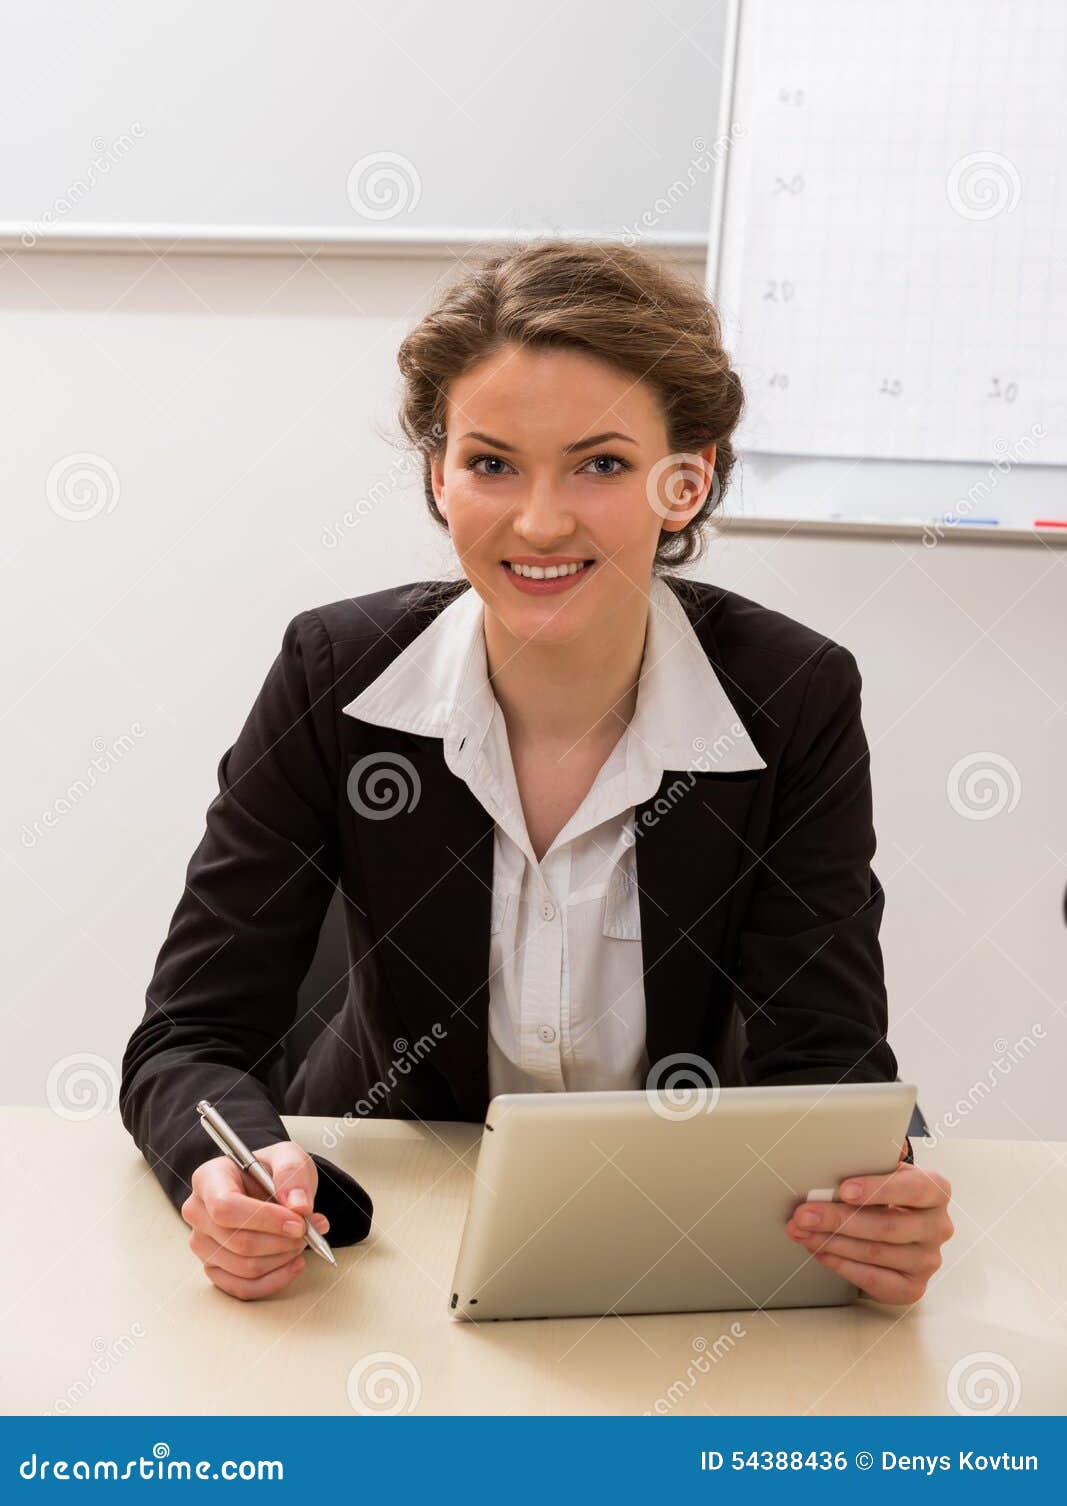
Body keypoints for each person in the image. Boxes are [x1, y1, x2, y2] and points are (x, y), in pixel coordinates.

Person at [120, 239, 953, 1304]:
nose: (540, 520)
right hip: (386, 1232)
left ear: (686, 480)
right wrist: (225, 1167)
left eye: (600, 464)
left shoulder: (789, 695)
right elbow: (190, 1035)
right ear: (438, 475)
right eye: (491, 463)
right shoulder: (334, 675)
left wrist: (875, 1206)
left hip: (679, 1234)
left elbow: (825, 1058)